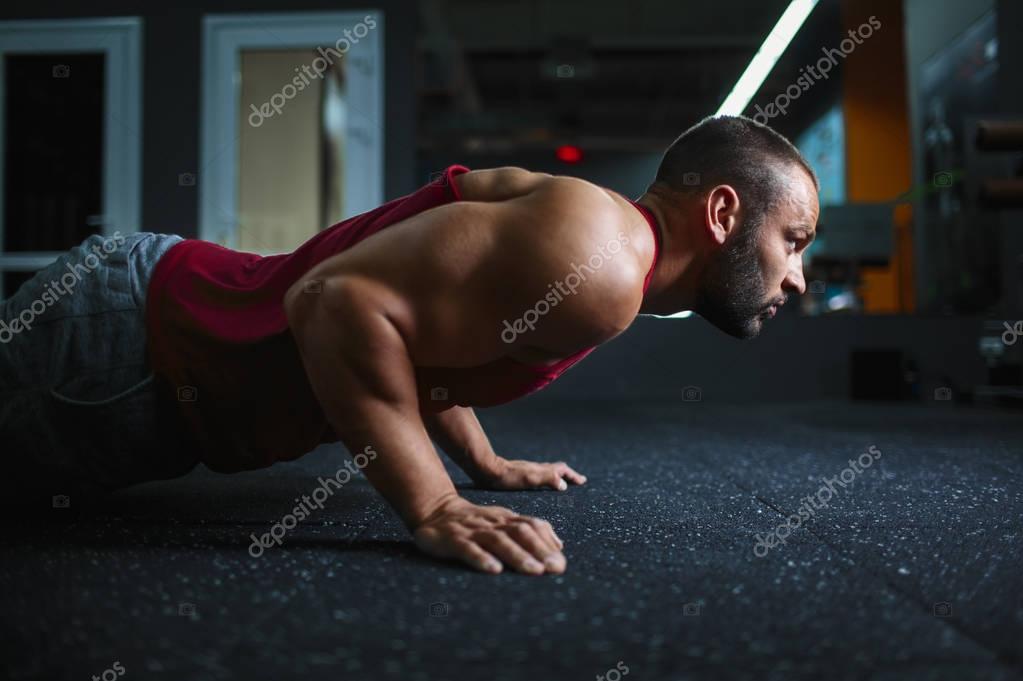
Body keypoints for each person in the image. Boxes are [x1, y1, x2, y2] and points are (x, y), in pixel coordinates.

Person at [0, 114, 818, 575]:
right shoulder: (599, 267)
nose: (800, 278)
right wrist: (432, 504)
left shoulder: (599, 248)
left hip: (139, 339)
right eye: (794, 239)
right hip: (128, 348)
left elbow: (427, 343)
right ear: (720, 216)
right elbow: (334, 301)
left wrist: (484, 467)